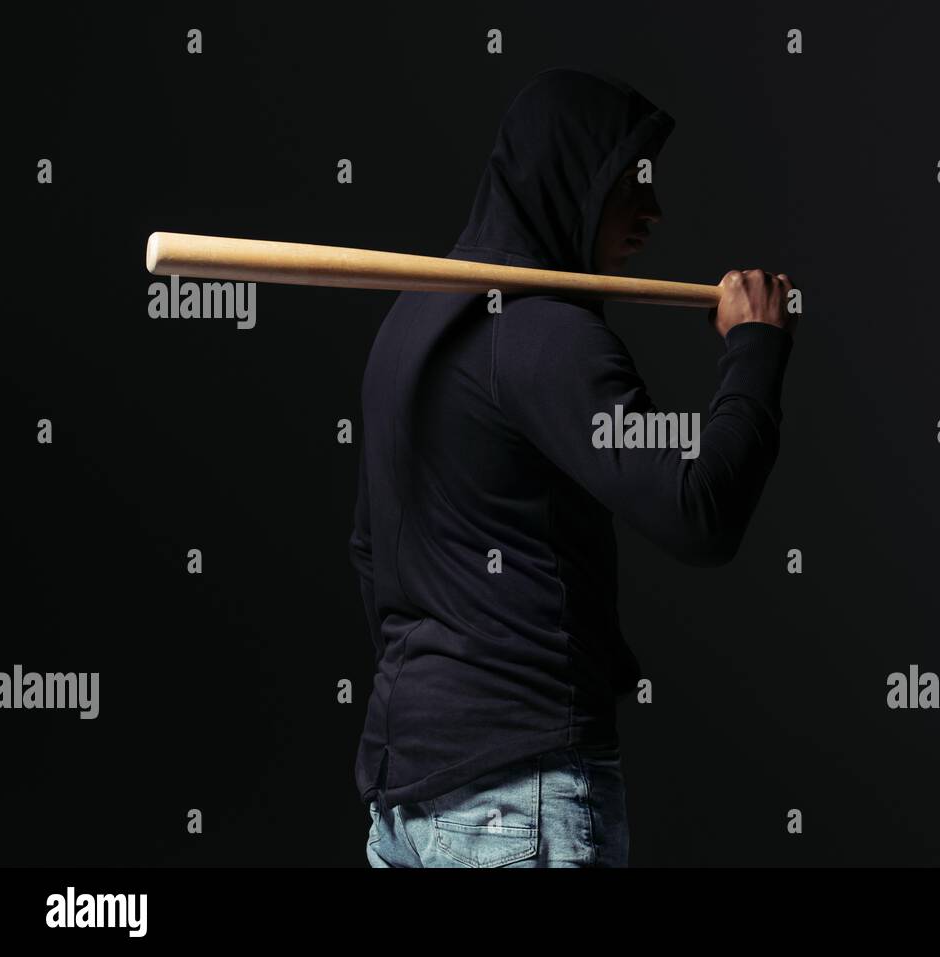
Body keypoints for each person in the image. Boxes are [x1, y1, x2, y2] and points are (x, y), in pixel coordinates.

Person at [349, 66, 798, 867]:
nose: (652, 214)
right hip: (516, 802)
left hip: (406, 804)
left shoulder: (405, 324)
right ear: (570, 180)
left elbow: (368, 552)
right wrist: (755, 350)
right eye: (633, 183)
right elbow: (701, 509)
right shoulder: (546, 339)